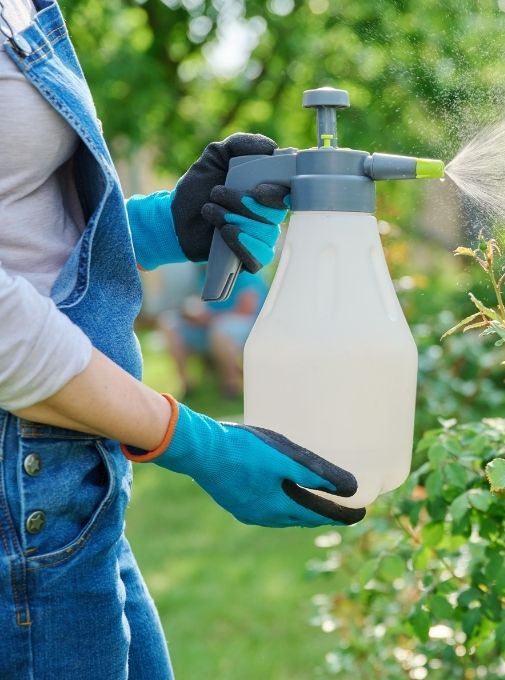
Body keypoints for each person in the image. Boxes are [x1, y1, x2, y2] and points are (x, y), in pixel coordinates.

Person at [0, 0, 363, 676]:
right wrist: (194, 443)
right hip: (18, 499)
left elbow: (25, 232)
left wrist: (166, 224)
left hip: (79, 488)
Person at [158, 270, 269, 399]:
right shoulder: (204, 271)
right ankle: (187, 384)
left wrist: (209, 318)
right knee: (168, 322)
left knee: (220, 329)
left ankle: (231, 386)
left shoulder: (246, 272)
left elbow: (246, 310)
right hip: (211, 323)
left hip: (248, 325)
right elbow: (201, 304)